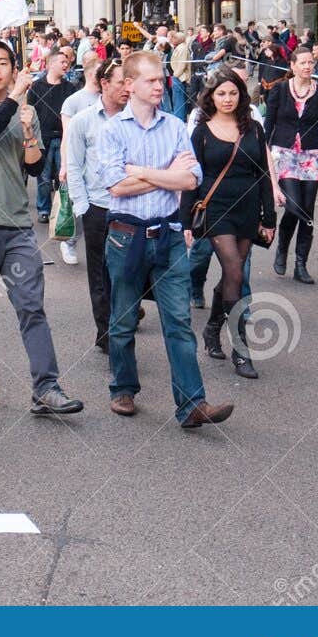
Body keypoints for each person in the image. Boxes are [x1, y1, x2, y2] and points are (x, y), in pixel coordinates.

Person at [96, 51, 233, 428]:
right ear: (130, 85)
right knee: (123, 321)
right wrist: (164, 173)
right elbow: (117, 188)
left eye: (162, 79)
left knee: (179, 321)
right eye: (152, 80)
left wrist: (141, 171)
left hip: (170, 233)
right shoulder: (112, 130)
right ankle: (123, 387)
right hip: (126, 235)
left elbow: (191, 180)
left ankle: (192, 403)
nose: (160, 85)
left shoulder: (174, 126)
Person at [0, 41, 83, 416]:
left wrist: (27, 133)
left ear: (13, 68)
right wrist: (18, 97)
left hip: (18, 226)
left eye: (3, 63)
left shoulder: (25, 111)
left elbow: (36, 167)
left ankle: (46, 387)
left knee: (31, 307)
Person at [184, 71, 276, 379]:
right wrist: (185, 221)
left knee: (231, 274)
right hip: (217, 207)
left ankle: (212, 327)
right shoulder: (201, 132)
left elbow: (263, 173)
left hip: (248, 206)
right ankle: (242, 351)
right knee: (235, 271)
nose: (227, 99)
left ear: (241, 96)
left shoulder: (253, 129)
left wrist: (269, 217)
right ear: (211, 96)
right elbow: (191, 178)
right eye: (221, 94)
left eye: (232, 94)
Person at [64, 54, 132, 350]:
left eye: (130, 83)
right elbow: (75, 166)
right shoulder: (83, 121)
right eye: (121, 83)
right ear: (104, 83)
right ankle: (106, 332)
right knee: (100, 274)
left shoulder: (139, 119)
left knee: (129, 274)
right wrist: (83, 207)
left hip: (132, 209)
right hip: (98, 209)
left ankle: (123, 322)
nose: (127, 89)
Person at [264, 45, 318, 284]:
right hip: (284, 153)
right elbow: (269, 125)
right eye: (303, 63)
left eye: (311, 63)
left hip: (311, 154)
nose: (308, 67)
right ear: (293, 65)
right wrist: (263, 156)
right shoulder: (279, 90)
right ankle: (282, 248)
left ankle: (300, 265)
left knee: (307, 211)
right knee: (294, 205)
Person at [28, 47, 77, 224]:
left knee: (63, 177)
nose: (66, 65)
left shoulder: (70, 88)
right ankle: (44, 210)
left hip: (64, 138)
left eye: (68, 62)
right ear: (51, 64)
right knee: (44, 177)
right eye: (63, 62)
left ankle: (63, 210)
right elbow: (30, 111)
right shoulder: (36, 87)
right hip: (44, 138)